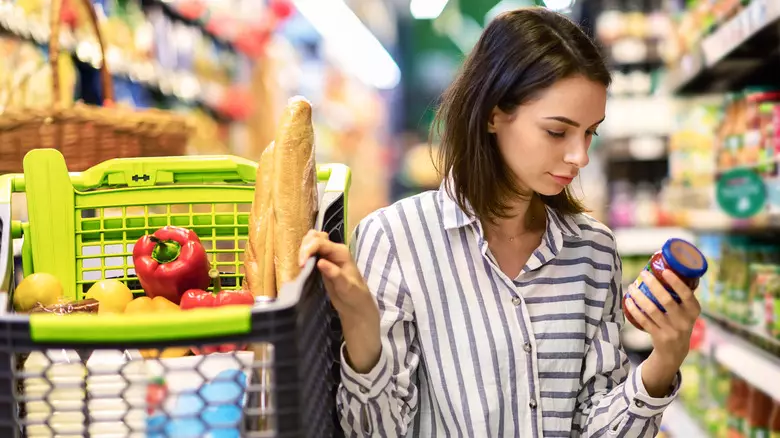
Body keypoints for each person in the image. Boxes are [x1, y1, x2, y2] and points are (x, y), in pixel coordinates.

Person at [299, 7, 699, 437]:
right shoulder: (396, 239)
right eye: (556, 131)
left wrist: (662, 362)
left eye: (590, 133)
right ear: (493, 113)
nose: (580, 156)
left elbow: (596, 427)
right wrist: (363, 334)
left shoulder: (593, 250)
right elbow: (375, 433)